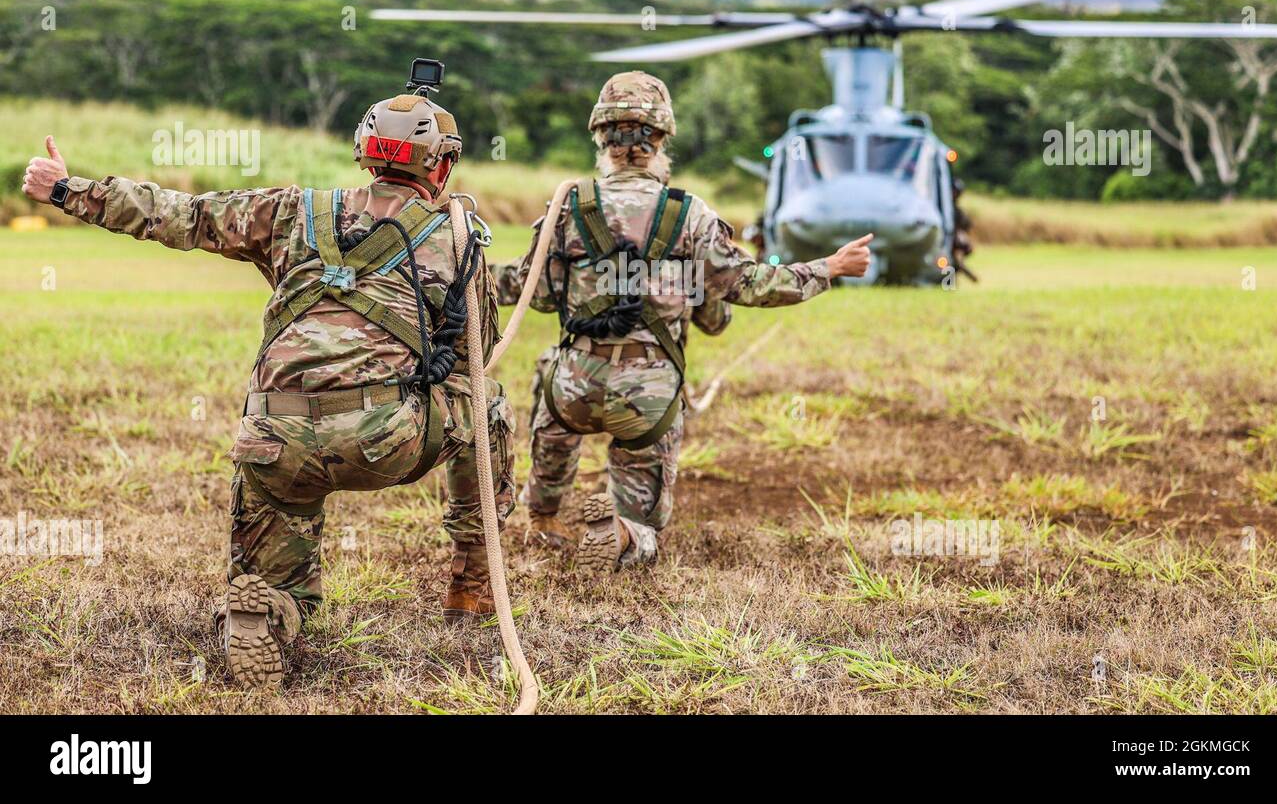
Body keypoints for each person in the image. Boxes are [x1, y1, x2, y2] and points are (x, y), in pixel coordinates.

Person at [22, 90, 515, 688]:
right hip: (386, 439)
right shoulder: (460, 236)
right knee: (486, 403)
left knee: (281, 549)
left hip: (275, 441)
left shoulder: (292, 211)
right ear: (441, 165)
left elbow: (182, 215)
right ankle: (472, 582)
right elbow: (474, 358)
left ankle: (270, 609)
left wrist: (66, 190)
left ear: (364, 153)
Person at [494, 71, 873, 575]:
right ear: (660, 139)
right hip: (645, 397)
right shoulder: (690, 215)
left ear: (601, 139)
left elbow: (533, 294)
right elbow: (747, 285)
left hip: (575, 388)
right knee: (642, 502)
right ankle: (628, 531)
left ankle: (542, 517)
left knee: (550, 372)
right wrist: (829, 267)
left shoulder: (568, 207)